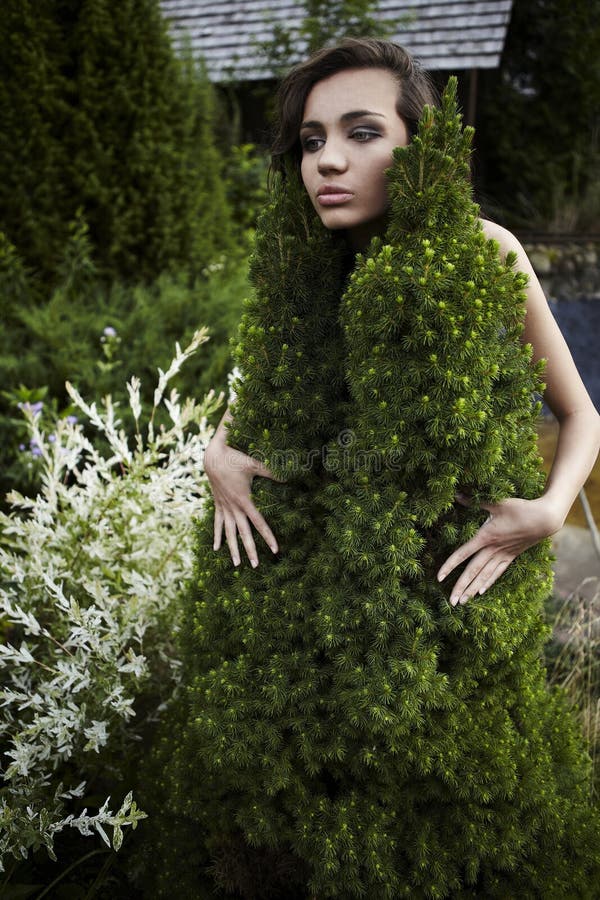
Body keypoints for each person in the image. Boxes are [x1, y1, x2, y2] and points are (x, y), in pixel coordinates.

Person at [205, 38, 600, 606]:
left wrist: (550, 509)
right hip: (298, 585)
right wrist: (219, 448)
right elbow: (267, 375)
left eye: (362, 133)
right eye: (312, 140)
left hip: (440, 590)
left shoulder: (484, 251)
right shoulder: (307, 259)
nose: (327, 160)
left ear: (420, 145)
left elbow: (579, 412)